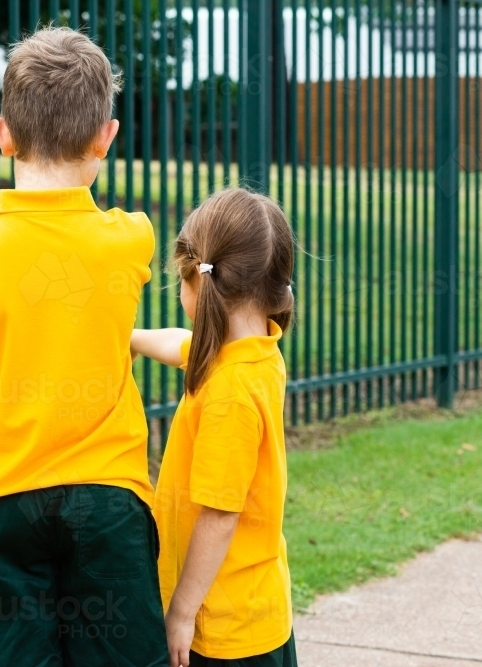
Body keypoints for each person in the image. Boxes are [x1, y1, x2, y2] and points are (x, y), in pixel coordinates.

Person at [0, 26, 167, 667]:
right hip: (110, 503)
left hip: (3, 507)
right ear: (108, 135)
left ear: (1, 134)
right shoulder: (132, 239)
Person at [131, 188, 298, 667]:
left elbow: (220, 516)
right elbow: (183, 344)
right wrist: (129, 340)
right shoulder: (255, 349)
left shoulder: (230, 393)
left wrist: (182, 612)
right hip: (255, 605)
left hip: (223, 628)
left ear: (198, 281)